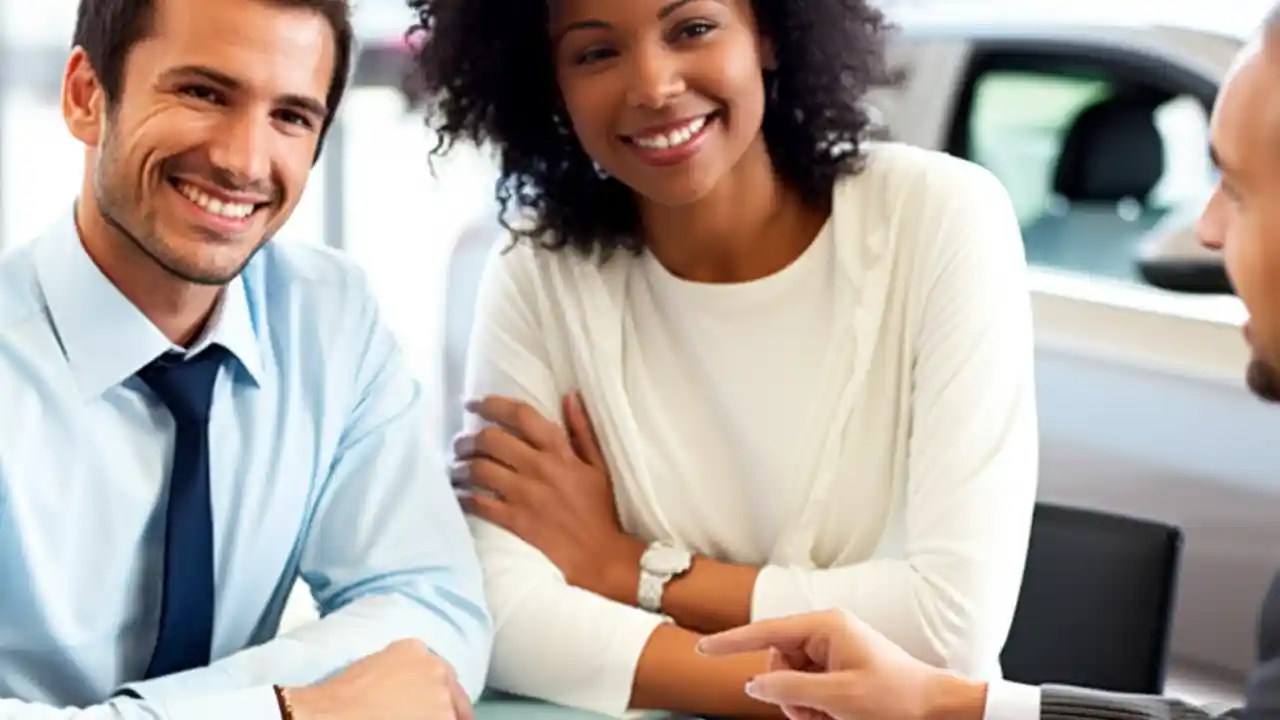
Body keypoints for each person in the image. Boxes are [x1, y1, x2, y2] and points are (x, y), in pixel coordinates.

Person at [409, 0, 1039, 717]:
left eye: (692, 30)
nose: (652, 85)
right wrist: (848, 697)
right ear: (549, 83)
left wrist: (626, 570)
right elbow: (502, 612)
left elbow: (946, 627)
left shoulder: (938, 216)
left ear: (768, 34)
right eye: (594, 53)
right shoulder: (540, 267)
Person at [696, 8, 1280, 720]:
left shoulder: (950, 239)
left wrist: (636, 574)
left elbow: (943, 619)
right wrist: (949, 705)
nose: (1209, 227)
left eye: (1241, 188)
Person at [0, 0, 492, 718]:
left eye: (291, 116)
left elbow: (430, 604)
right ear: (85, 97)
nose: (243, 161)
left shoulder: (327, 317)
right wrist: (284, 710)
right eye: (202, 93)